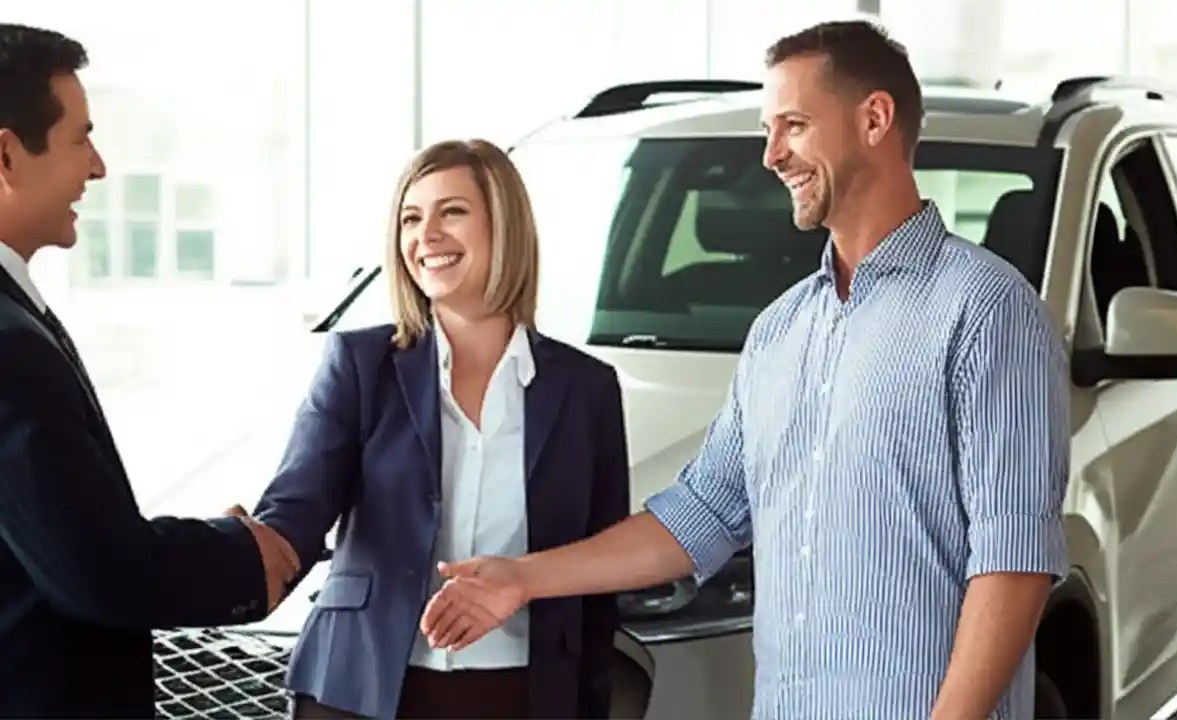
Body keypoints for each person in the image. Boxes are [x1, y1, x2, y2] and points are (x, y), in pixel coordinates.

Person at [421, 19, 1070, 720]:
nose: (772, 154)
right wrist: (523, 578)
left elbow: (1013, 561)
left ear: (875, 119)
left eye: (794, 125)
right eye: (769, 129)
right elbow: (699, 515)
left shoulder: (987, 310)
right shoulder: (780, 332)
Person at [250, 138, 631, 720]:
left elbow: (601, 576)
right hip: (362, 689)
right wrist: (241, 550)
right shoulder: (360, 364)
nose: (425, 235)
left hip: (523, 694)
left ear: (504, 227)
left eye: (451, 211)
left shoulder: (587, 389)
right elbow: (295, 512)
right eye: (410, 218)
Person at [0, 23, 301, 719]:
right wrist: (243, 556)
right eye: (80, 140)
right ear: (8, 155)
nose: (98, 168)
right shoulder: (9, 346)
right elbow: (95, 570)